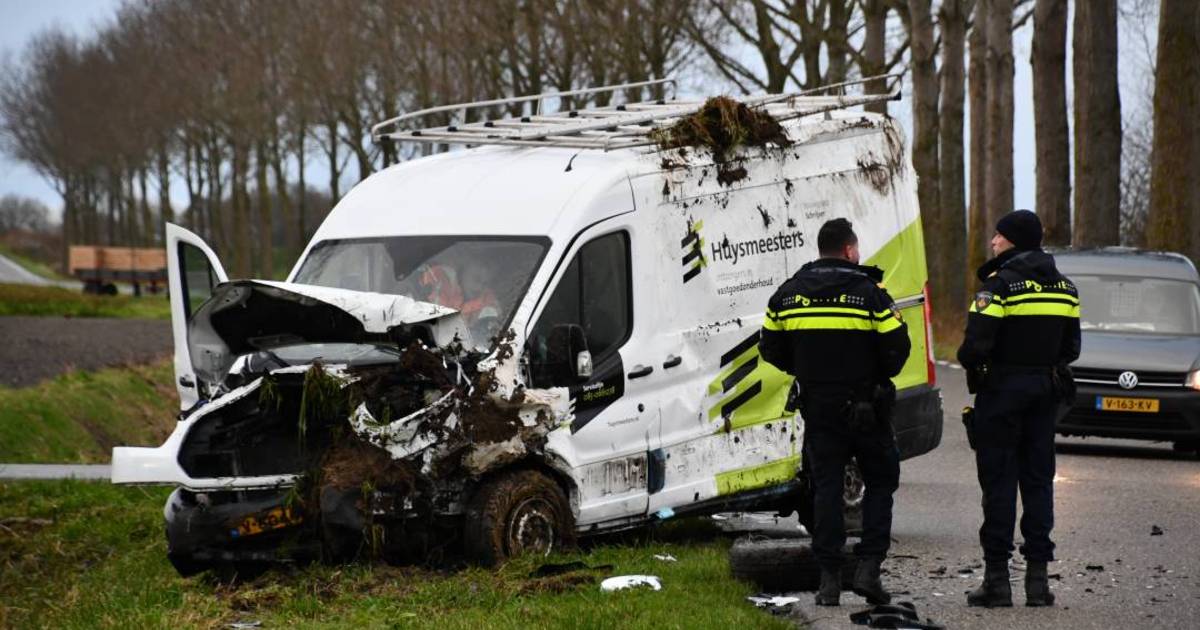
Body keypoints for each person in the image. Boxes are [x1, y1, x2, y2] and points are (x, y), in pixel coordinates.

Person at [759, 218, 911, 607]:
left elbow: (770, 349)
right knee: (881, 482)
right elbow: (897, 350)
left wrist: (808, 371)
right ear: (848, 250)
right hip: (868, 408)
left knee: (825, 489)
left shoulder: (788, 295)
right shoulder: (871, 294)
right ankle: (868, 570)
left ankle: (828, 582)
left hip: (819, 407)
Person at [957, 209, 1080, 608]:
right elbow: (1071, 349)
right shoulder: (1066, 289)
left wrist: (980, 365)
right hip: (1044, 394)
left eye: (998, 236)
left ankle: (996, 581)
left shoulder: (999, 287)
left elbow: (974, 348)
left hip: (1002, 395)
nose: (992, 242)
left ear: (1012, 240)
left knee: (999, 485)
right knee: (1039, 483)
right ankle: (1038, 583)